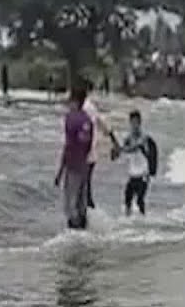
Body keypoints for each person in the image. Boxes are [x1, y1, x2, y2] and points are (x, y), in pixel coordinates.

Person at [54, 85, 95, 230]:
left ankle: (74, 236)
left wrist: (60, 171)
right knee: (81, 202)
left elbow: (69, 145)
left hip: (72, 165)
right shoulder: (88, 120)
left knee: (71, 205)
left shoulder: (71, 119)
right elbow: (89, 145)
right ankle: (84, 233)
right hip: (84, 164)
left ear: (76, 101)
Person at [81, 80, 115, 211]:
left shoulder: (85, 108)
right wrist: (114, 141)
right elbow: (103, 124)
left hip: (85, 153)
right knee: (85, 187)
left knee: (83, 188)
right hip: (91, 154)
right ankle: (90, 215)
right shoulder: (90, 107)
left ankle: (86, 217)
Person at [119, 110, 158, 216]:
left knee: (140, 200)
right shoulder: (127, 138)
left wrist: (122, 149)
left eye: (136, 122)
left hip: (143, 174)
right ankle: (128, 223)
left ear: (140, 123)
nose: (134, 125)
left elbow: (135, 148)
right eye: (132, 122)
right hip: (132, 174)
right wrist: (116, 150)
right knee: (127, 199)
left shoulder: (144, 138)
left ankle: (143, 221)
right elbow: (119, 154)